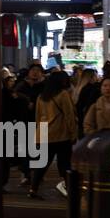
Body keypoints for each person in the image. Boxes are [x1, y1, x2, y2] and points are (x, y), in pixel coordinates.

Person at [32, 69, 78, 199]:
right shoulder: (63, 95)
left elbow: (38, 117)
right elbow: (69, 116)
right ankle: (67, 188)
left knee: (42, 164)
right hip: (60, 134)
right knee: (64, 163)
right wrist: (73, 134)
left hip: (44, 133)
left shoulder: (41, 96)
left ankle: (33, 189)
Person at [73, 67, 100, 137]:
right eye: (95, 76)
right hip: (88, 121)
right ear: (91, 77)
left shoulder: (78, 88)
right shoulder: (91, 89)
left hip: (80, 121)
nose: (97, 78)